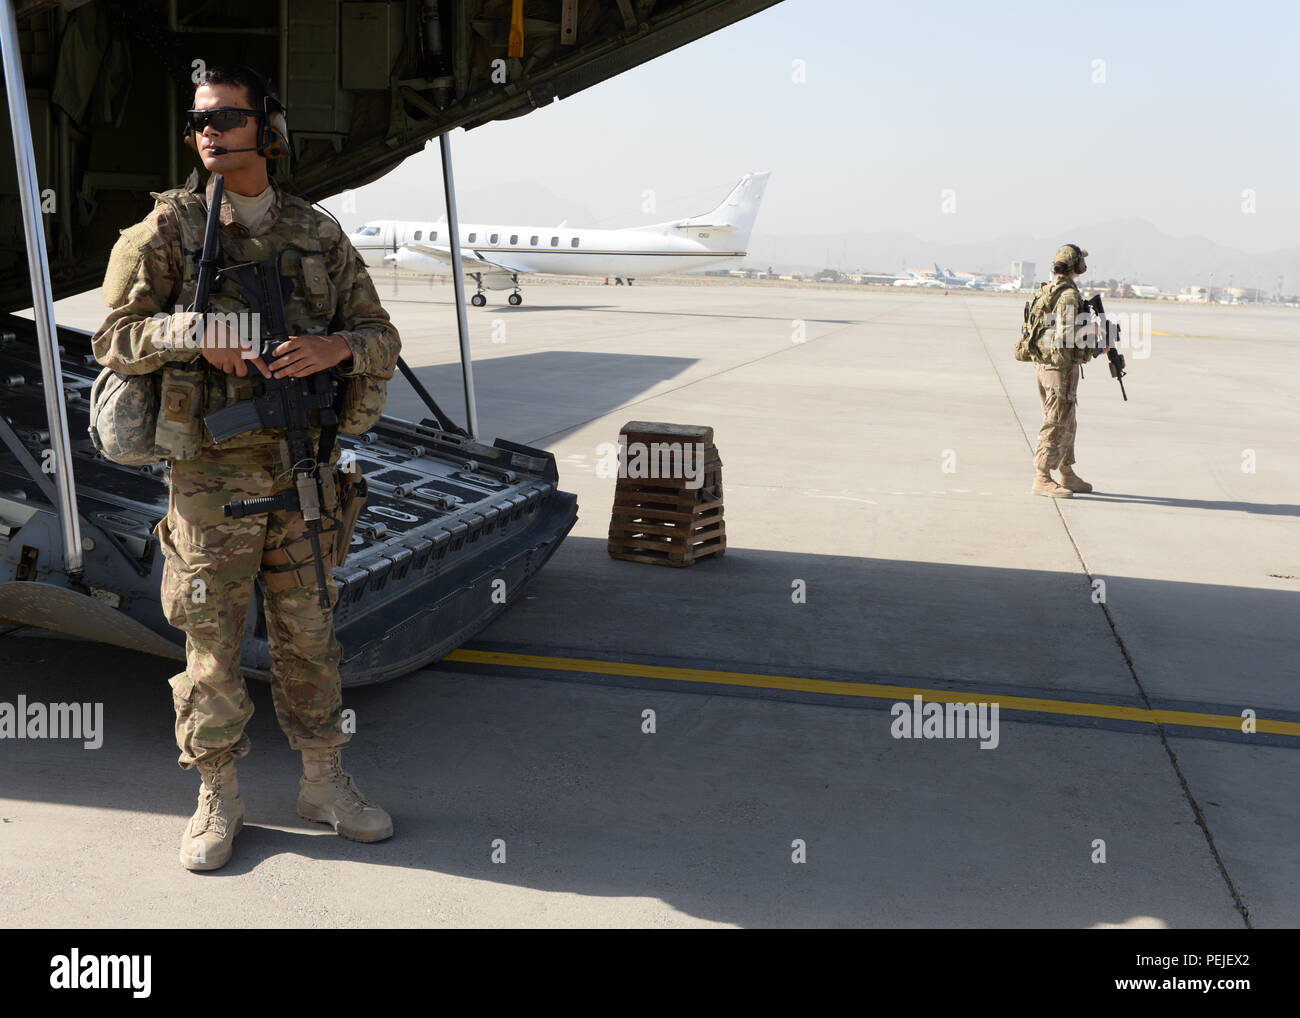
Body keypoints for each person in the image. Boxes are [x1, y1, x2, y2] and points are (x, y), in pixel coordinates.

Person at [91, 64, 401, 870]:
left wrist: (337, 346)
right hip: (208, 483)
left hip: (303, 476)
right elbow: (112, 341)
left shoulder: (317, 233)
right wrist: (189, 331)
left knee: (311, 640)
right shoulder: (166, 232)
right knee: (212, 651)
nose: (208, 131)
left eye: (227, 117)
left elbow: (381, 336)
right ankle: (217, 796)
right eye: (198, 120)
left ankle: (325, 784)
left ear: (267, 126)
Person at [1031, 243, 1095, 498]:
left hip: (1051, 363)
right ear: (1076, 265)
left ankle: (1066, 472)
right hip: (1057, 366)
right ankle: (1042, 476)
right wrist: (1093, 332)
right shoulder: (1067, 295)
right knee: (1056, 420)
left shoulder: (1048, 290)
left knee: (1067, 418)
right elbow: (1067, 333)